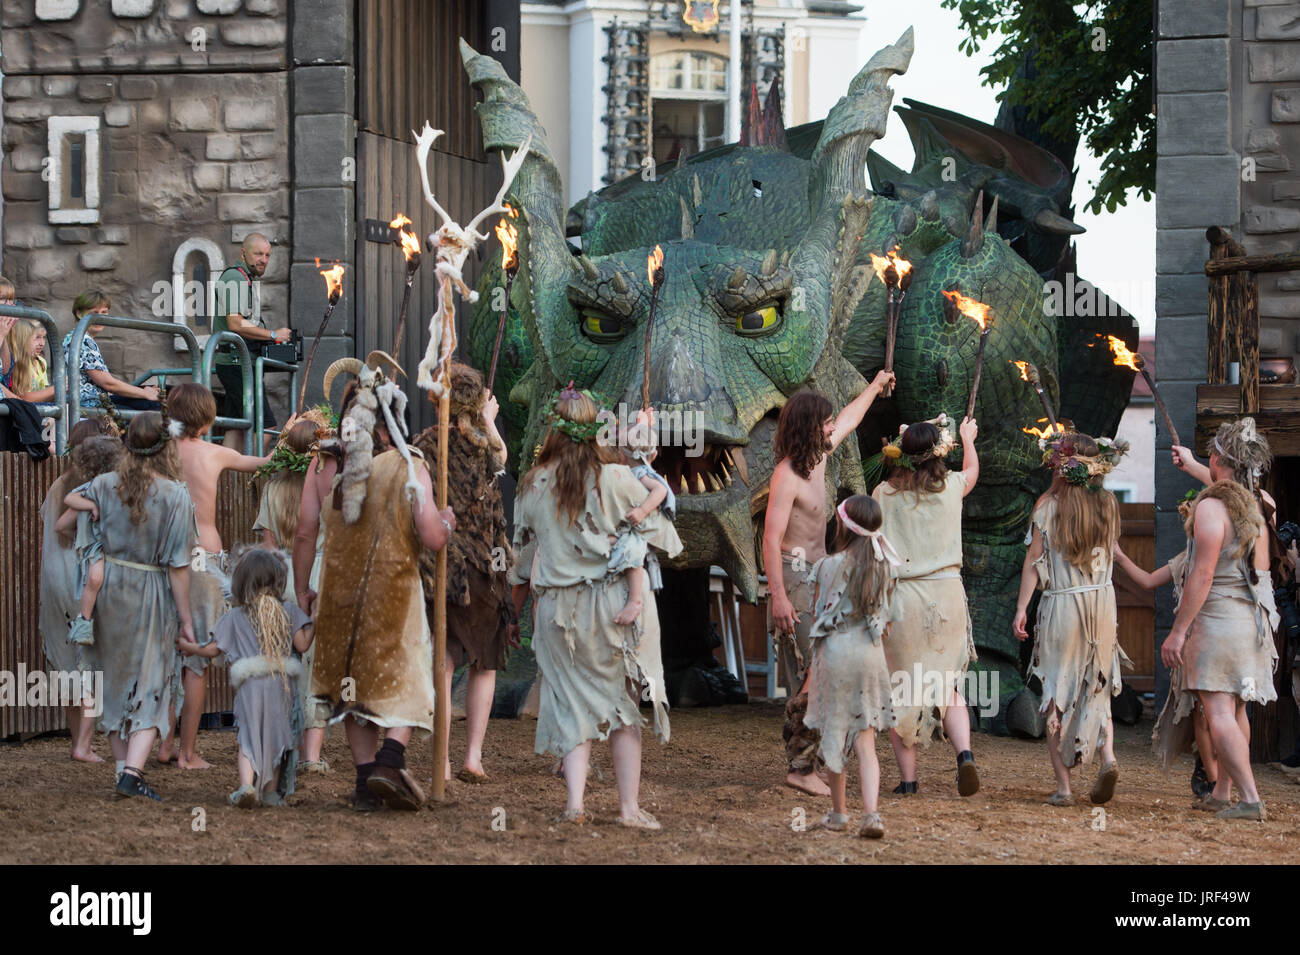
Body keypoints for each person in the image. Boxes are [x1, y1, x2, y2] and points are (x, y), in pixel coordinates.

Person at [508, 385, 682, 828]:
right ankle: (627, 809)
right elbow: (669, 541)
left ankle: (574, 805)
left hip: (555, 613)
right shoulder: (620, 479)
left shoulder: (532, 483)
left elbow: (522, 562)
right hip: (614, 607)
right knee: (623, 707)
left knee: (568, 705)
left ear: (553, 427)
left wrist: (513, 611)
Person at [293, 352, 455, 812]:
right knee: (406, 671)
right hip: (393, 590)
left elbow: (305, 532)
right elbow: (429, 535)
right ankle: (389, 758)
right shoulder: (409, 464)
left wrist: (303, 587)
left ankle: (366, 783)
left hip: (337, 590)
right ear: (391, 420)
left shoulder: (325, 464)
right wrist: (446, 522)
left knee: (352, 682)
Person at [1121, 419, 1279, 820]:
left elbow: (1202, 575)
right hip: (1254, 624)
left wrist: (1178, 631)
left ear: (1217, 458)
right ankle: (1223, 792)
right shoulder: (1261, 503)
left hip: (1220, 622)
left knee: (1219, 711)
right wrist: (1192, 464)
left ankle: (1249, 798)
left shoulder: (1210, 509)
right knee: (1237, 710)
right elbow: (1229, 487)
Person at [763, 371, 894, 796]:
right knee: (810, 677)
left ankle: (811, 763)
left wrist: (875, 386)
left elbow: (851, 420)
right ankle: (800, 768)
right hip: (794, 582)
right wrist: (779, 596)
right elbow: (770, 539)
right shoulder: (786, 476)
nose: (831, 426)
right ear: (807, 428)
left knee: (821, 673)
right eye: (824, 421)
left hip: (819, 583)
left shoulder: (816, 458)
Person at [61, 412, 196, 801]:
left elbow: (72, 501)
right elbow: (178, 566)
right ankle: (133, 772)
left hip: (110, 591)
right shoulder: (175, 495)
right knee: (152, 680)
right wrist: (186, 620)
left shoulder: (103, 484)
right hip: (150, 590)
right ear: (166, 446)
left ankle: (124, 768)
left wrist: (92, 507)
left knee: (116, 678)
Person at [159, 382, 279, 770]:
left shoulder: (158, 454)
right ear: (207, 417)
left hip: (160, 557)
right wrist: (292, 436)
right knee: (196, 656)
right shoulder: (212, 453)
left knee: (165, 650)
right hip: (200, 558)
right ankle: (187, 752)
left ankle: (161, 744)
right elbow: (268, 463)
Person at [1012, 431, 1131, 806]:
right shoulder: (1109, 504)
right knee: (1097, 684)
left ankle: (1064, 788)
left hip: (1063, 605)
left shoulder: (1048, 504)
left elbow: (1034, 560)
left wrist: (1021, 609)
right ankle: (1107, 757)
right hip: (1102, 604)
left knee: (1055, 695)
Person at [413, 362, 517, 783]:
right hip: (484, 569)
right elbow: (501, 456)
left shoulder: (424, 444)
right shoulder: (487, 445)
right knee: (484, 665)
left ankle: (443, 759)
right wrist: (489, 422)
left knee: (445, 661)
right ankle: (472, 755)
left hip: (442, 568)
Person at [872, 413, 981, 796]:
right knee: (947, 685)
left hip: (905, 599)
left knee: (903, 689)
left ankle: (908, 781)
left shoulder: (883, 495)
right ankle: (964, 754)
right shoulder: (952, 486)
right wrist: (967, 438)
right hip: (948, 596)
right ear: (940, 452)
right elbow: (972, 471)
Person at [178, 548, 314, 809]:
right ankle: (271, 792)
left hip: (249, 686)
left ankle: (246, 785)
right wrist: (315, 618)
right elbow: (304, 644)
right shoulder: (288, 611)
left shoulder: (235, 616)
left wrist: (189, 647)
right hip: (279, 685)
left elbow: (212, 650)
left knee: (247, 738)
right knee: (277, 737)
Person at [804, 494, 899, 839]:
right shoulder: (885, 567)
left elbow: (819, 615)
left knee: (835, 732)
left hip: (837, 656)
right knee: (866, 740)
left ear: (843, 525)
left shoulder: (828, 566)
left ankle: (839, 812)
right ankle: (871, 814)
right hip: (870, 656)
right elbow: (887, 624)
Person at [38, 417, 120, 762]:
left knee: (68, 660)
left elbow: (53, 525)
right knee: (93, 659)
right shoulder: (100, 487)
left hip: (54, 581)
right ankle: (84, 743)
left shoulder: (61, 484)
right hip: (82, 579)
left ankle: (78, 738)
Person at [254, 414, 331, 774]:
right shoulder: (324, 484)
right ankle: (310, 756)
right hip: (316, 574)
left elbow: (267, 547)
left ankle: (276, 747)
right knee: (316, 665)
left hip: (280, 577)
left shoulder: (271, 487)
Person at [212, 233, 290, 450]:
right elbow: (235, 324)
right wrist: (273, 335)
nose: (263, 259)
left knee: (235, 429)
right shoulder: (236, 278)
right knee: (266, 428)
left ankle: (227, 482)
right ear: (243, 253)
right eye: (258, 254)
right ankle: (250, 480)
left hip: (237, 363)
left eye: (267, 255)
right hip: (237, 365)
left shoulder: (245, 279)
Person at [60, 290, 161, 413]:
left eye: (104, 312)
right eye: (94, 313)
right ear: (79, 313)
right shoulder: (82, 340)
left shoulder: (77, 337)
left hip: (96, 401)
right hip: (88, 406)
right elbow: (108, 383)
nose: (100, 317)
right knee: (150, 407)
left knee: (145, 403)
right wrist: (145, 393)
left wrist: (144, 392)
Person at [8, 318, 54, 404]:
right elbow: (23, 397)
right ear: (23, 339)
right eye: (37, 337)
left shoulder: (41, 362)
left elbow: (44, 397)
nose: (42, 343)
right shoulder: (17, 363)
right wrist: (55, 389)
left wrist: (61, 390)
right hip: (26, 412)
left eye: (43, 338)